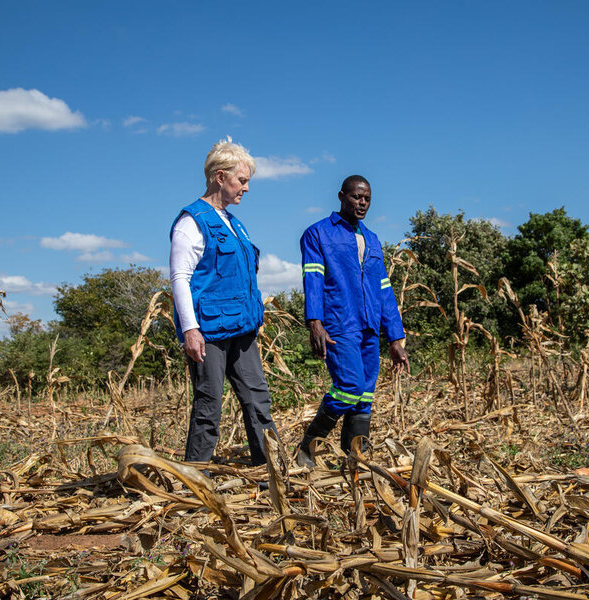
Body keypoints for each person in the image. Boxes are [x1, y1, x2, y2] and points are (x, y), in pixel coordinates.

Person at [169, 136, 279, 468]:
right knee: (209, 406)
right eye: (241, 180)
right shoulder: (192, 222)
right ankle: (195, 478)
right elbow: (180, 278)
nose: (246, 187)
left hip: (242, 328)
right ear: (220, 177)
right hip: (209, 333)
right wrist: (190, 330)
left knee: (258, 399)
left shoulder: (235, 224)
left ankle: (272, 471)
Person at [296, 175, 410, 468]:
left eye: (367, 198)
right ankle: (306, 450)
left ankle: (354, 460)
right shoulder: (318, 233)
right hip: (339, 323)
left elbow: (384, 290)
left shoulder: (372, 239)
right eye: (356, 197)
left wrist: (395, 338)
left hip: (369, 326)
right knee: (350, 386)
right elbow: (313, 279)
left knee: (364, 396)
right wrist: (315, 322)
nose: (362, 203)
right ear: (341, 196)